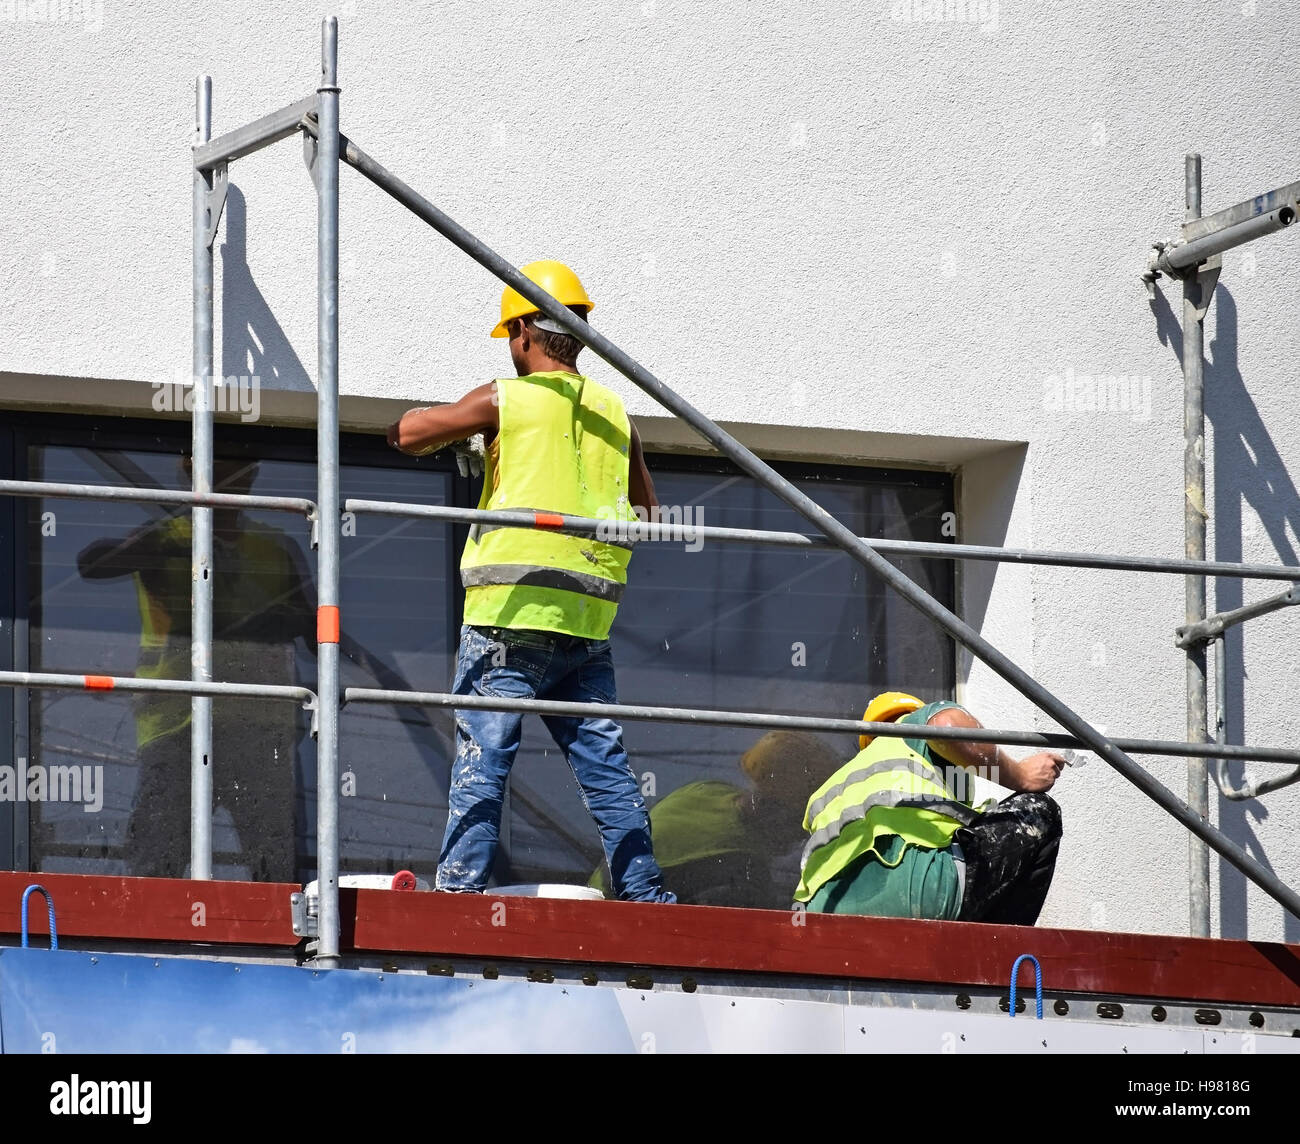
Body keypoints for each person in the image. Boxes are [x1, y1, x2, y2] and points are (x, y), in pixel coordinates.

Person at [387, 260, 674, 902]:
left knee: (484, 756)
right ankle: (644, 894)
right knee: (606, 769)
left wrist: (469, 438)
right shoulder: (614, 412)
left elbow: (407, 435)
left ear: (523, 332)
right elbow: (649, 513)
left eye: (511, 336)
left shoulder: (504, 400)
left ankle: (460, 890)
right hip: (586, 626)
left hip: (509, 616)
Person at [77, 457, 313, 880]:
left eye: (233, 470)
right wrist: (164, 546)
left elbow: (314, 630)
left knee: (274, 864)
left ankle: (286, 938)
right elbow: (92, 563)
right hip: (175, 722)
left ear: (251, 476)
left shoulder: (276, 549)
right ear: (190, 472)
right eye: (213, 470)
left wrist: (265, 620)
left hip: (258, 722)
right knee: (157, 858)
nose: (225, 481)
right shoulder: (165, 536)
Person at [795, 691, 1064, 924]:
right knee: (1038, 810)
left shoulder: (838, 783)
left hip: (826, 913)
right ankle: (999, 954)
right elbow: (946, 725)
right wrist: (1020, 775)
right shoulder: (915, 725)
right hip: (916, 888)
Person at [588, 731, 842, 908]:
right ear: (777, 810)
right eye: (800, 824)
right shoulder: (744, 870)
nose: (798, 838)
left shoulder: (707, 790)